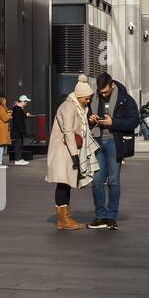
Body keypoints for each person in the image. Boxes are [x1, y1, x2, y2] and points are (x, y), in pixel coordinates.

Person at [86, 71, 138, 230]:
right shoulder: (93, 99)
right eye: (101, 92)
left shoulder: (125, 99)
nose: (103, 94)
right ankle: (100, 215)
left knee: (114, 181)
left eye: (106, 91)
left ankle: (111, 216)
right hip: (97, 141)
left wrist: (113, 122)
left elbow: (134, 121)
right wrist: (90, 118)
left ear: (112, 85)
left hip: (115, 142)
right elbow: (85, 117)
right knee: (96, 181)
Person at [47, 75, 93, 230]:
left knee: (65, 184)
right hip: (64, 151)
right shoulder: (68, 107)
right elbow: (68, 131)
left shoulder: (77, 107)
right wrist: (74, 155)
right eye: (86, 98)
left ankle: (64, 217)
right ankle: (63, 219)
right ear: (79, 96)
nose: (88, 101)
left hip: (68, 150)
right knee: (63, 183)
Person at [11, 95, 31, 165]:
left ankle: (19, 158)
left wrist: (25, 115)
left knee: (20, 145)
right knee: (18, 145)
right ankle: (17, 159)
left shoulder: (19, 109)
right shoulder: (17, 109)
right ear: (22, 101)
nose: (26, 103)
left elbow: (20, 118)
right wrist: (21, 131)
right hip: (18, 131)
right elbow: (18, 121)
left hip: (18, 130)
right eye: (26, 102)